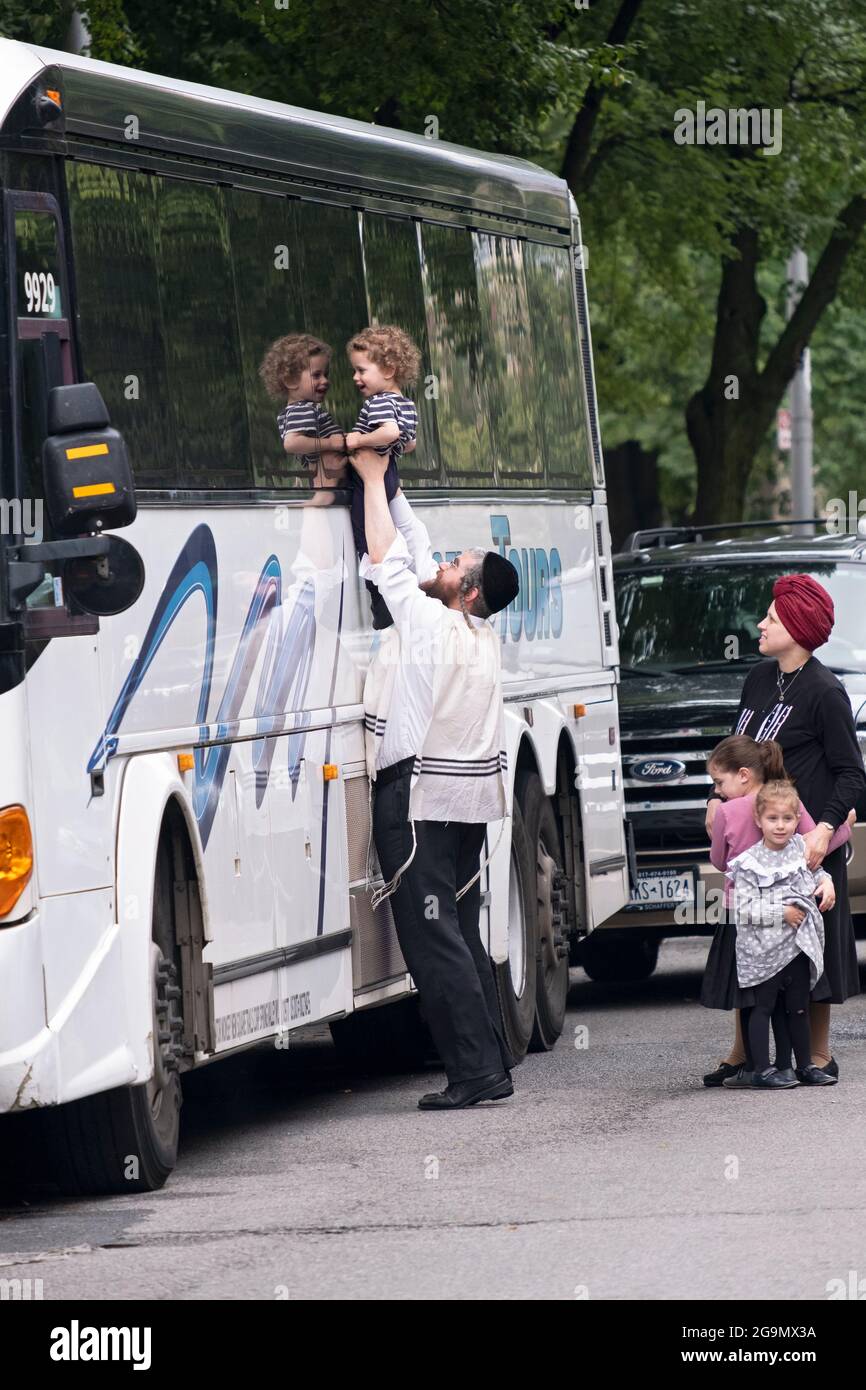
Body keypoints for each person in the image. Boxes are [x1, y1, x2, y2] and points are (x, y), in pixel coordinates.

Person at [352, 445, 521, 1111]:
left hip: (418, 803)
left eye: (456, 565)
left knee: (434, 939)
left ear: (468, 590)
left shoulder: (426, 626)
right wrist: (389, 478)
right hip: (466, 806)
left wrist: (368, 476)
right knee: (460, 928)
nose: (444, 563)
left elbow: (388, 556)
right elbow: (413, 543)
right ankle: (494, 1061)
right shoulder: (476, 635)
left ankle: (476, 1072)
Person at [704, 573, 866, 1083]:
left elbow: (852, 772)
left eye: (771, 618)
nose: (760, 623)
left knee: (809, 940)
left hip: (808, 844)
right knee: (749, 936)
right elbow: (736, 754)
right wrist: (715, 797)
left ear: (796, 628)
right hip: (756, 839)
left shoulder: (825, 691)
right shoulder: (758, 678)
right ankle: (741, 1054)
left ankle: (817, 1054)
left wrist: (824, 829)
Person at [701, 734, 847, 1081]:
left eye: (719, 782)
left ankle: (750, 1063)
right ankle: (790, 1064)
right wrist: (844, 823)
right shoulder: (788, 803)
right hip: (791, 916)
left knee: (751, 995)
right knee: (790, 998)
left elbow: (720, 860)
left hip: (745, 913)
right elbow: (816, 843)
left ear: (744, 775)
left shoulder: (726, 811)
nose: (718, 791)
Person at [724, 779, 835, 1088]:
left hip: (797, 945)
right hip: (762, 952)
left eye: (788, 818)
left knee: (798, 1007)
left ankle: (802, 1066)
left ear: (797, 819)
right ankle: (761, 1068)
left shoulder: (801, 848)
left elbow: (816, 872)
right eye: (773, 818)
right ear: (759, 820)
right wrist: (781, 912)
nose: (781, 826)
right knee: (763, 1007)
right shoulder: (749, 862)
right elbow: (744, 907)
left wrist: (826, 883)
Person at [346, 326, 421, 629]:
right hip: (391, 472)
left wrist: (357, 441)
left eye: (361, 370)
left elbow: (389, 432)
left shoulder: (377, 402)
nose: (355, 378)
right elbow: (409, 441)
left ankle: (381, 601)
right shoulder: (406, 403)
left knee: (367, 537)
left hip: (372, 474)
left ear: (388, 369)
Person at [259, 332, 346, 473]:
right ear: (290, 380)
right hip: (326, 471)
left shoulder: (299, 409)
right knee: (325, 496)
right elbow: (292, 443)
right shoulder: (301, 409)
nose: (325, 381)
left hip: (328, 470)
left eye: (326, 374)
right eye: (317, 375)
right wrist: (330, 443)